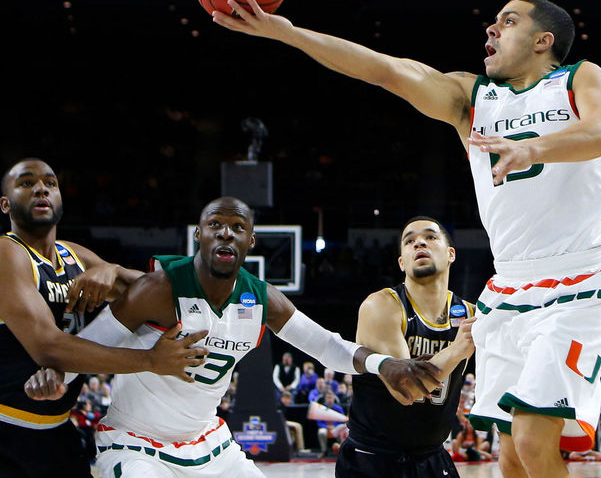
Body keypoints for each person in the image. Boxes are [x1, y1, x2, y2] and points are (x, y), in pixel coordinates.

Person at [213, 0, 601, 478]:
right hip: (509, 290)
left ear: (543, 40)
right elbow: (385, 69)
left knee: (535, 444)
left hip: (575, 279)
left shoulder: (578, 78)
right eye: (491, 21)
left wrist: (533, 148)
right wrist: (289, 33)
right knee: (511, 455)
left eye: (507, 21)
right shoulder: (473, 99)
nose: (490, 29)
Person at [26, 196, 443, 477]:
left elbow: (327, 346)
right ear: (199, 234)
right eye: (215, 225)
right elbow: (94, 343)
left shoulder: (265, 301)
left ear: (250, 241)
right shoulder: (158, 290)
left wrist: (382, 363)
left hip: (209, 444)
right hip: (136, 445)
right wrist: (56, 375)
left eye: (237, 227)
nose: (226, 233)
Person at [0, 158, 210, 478]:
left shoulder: (74, 255)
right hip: (7, 431)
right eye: (26, 183)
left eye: (50, 183)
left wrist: (111, 270)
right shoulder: (7, 253)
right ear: (6, 204)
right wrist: (151, 360)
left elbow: (157, 295)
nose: (41, 187)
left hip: (56, 430)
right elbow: (49, 348)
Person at [335, 216, 476, 478]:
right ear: (402, 262)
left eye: (430, 237)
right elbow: (407, 390)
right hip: (374, 459)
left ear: (451, 254)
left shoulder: (468, 313)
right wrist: (457, 349)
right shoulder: (381, 306)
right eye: (409, 241)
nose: (419, 242)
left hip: (432, 455)